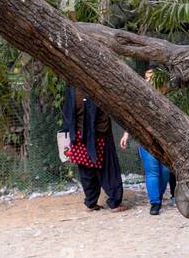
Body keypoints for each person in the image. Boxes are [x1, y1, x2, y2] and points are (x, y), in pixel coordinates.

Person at [120, 68, 176, 215]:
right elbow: (133, 118)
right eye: (146, 77)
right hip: (146, 141)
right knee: (152, 172)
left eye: (151, 78)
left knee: (165, 172)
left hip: (164, 142)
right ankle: (155, 203)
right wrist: (126, 135)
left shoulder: (166, 97)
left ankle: (158, 195)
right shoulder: (139, 98)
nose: (147, 81)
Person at [62, 85, 126, 212]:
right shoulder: (96, 86)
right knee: (108, 169)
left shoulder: (72, 88)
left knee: (86, 170)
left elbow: (68, 112)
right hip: (99, 135)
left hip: (78, 135)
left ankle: (91, 203)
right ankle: (114, 203)